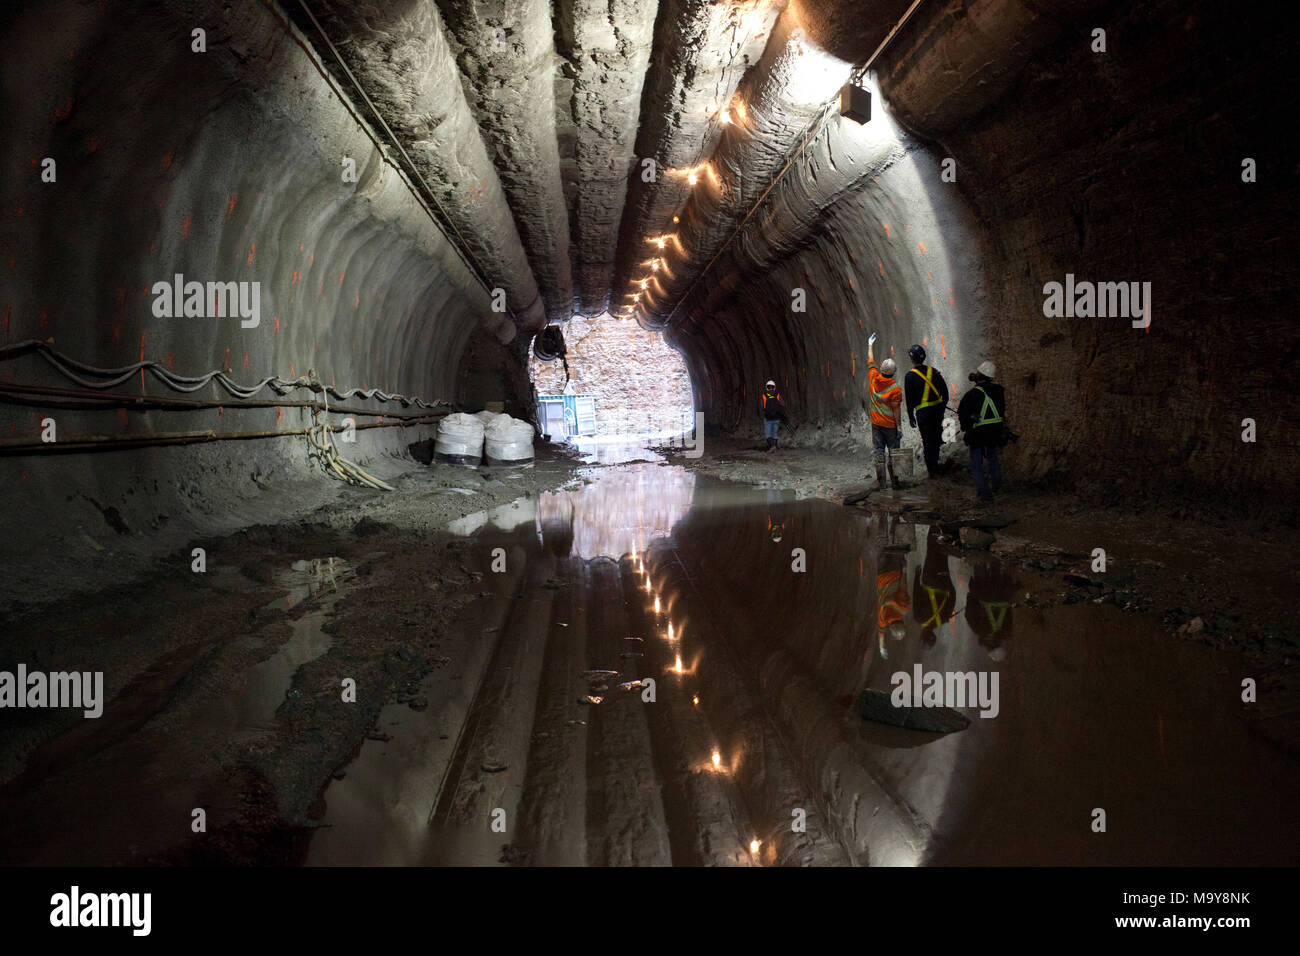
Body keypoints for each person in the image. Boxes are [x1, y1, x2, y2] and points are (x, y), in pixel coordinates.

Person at [957, 360, 1007, 502]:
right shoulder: (999, 391)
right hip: (995, 431)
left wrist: (968, 425)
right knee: (992, 457)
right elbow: (1001, 411)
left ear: (979, 376)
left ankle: (984, 494)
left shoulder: (971, 395)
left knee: (976, 463)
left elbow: (963, 418)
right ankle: (997, 486)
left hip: (978, 434)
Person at [862, 333, 903, 489]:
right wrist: (899, 427)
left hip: (876, 424)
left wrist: (870, 345)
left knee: (879, 452)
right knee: (894, 453)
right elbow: (896, 410)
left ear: (881, 369)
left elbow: (870, 361)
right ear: (894, 372)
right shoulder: (895, 389)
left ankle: (882, 483)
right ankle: (896, 483)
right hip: (890, 426)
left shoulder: (873, 378)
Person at [904, 344, 949, 479]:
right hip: (937, 411)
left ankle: (932, 470)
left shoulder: (910, 376)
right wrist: (942, 407)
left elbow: (909, 399)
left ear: (912, 359)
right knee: (936, 439)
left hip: (924, 414)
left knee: (928, 441)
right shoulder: (933, 371)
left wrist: (910, 416)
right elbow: (945, 392)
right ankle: (936, 465)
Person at [761, 380, 785, 451]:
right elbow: (783, 404)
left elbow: (762, 407)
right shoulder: (777, 396)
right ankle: (775, 446)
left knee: (768, 433)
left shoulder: (764, 396)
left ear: (766, 388)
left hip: (768, 417)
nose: (771, 389)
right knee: (774, 432)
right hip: (776, 417)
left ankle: (772, 446)